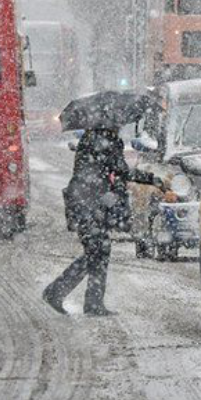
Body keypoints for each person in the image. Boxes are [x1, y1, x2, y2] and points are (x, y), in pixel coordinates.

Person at [43, 127, 159, 316]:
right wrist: (152, 179)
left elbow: (110, 172)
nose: (120, 125)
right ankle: (60, 293)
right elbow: (121, 170)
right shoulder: (105, 139)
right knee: (97, 250)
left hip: (85, 201)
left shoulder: (94, 137)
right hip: (89, 203)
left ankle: (88, 301)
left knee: (98, 251)